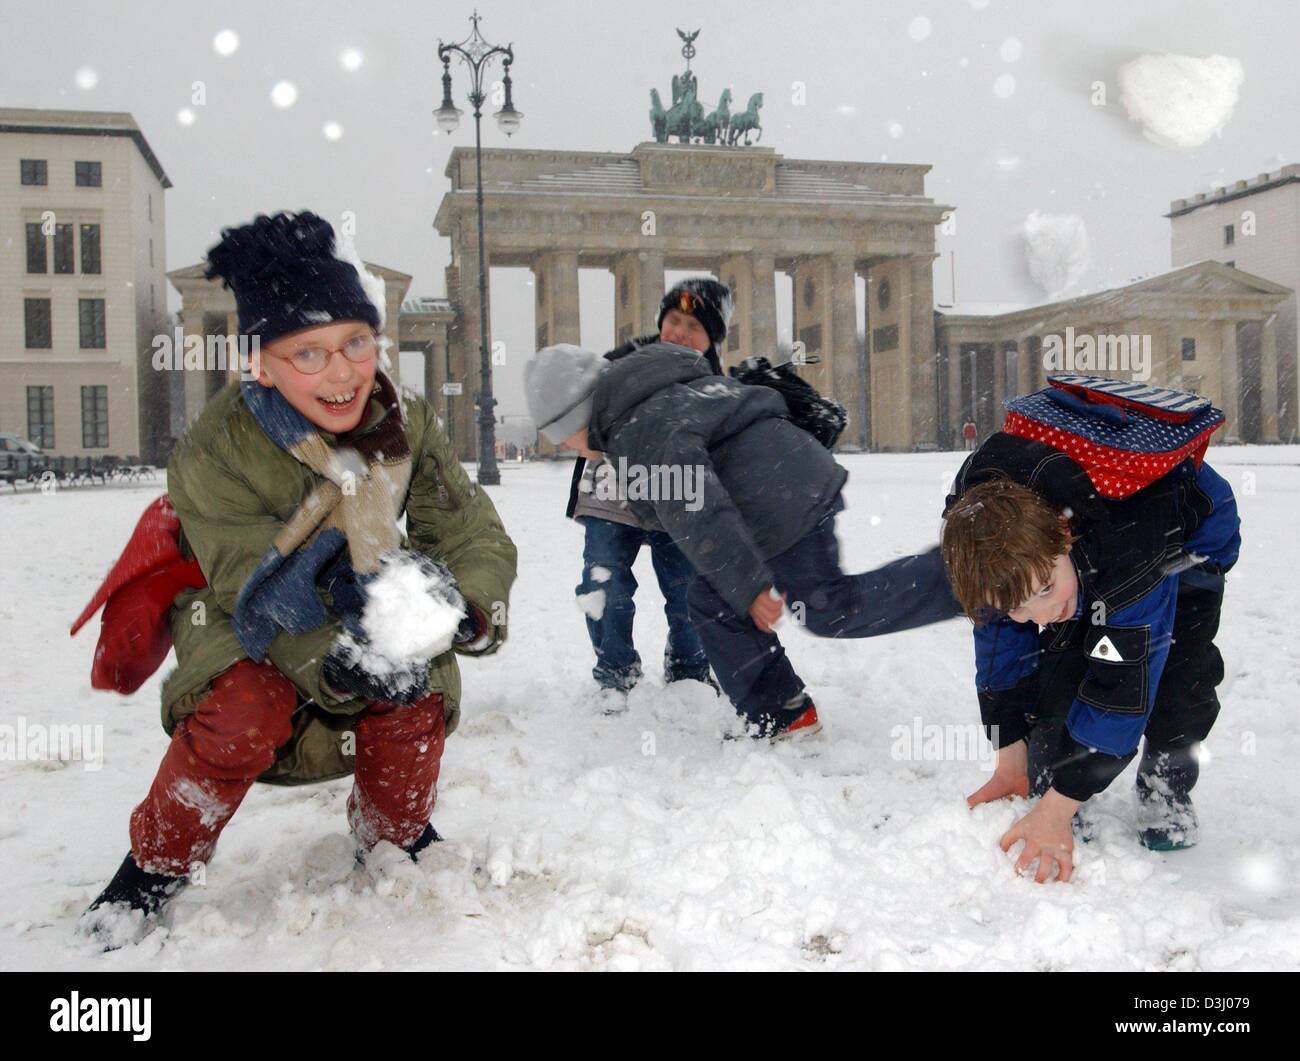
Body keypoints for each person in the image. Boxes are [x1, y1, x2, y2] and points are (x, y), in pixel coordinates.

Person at [77, 212, 517, 946]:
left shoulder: (404, 417)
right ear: (262, 364)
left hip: (366, 590)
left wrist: (463, 609)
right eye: (306, 353)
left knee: (413, 673)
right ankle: (156, 861)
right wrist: (337, 662)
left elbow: (468, 528)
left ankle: (392, 833)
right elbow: (247, 578)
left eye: (355, 341)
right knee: (245, 706)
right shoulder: (214, 446)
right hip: (240, 609)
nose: (343, 370)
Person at [526, 342, 960, 739]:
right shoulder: (642, 398)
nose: (568, 446)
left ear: (577, 411)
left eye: (562, 434)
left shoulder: (637, 426)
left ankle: (964, 577)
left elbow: (697, 509)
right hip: (782, 480)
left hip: (781, 497)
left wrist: (749, 585)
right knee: (714, 601)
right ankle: (784, 713)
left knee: (829, 608)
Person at [941, 376, 1240, 882]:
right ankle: (1057, 787)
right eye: (1014, 607)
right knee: (1061, 675)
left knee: (1177, 686)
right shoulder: (985, 540)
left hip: (1185, 556)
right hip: (1081, 562)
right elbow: (999, 650)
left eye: (1039, 594)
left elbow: (1120, 690)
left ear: (1064, 535)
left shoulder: (1130, 548)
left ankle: (1165, 788)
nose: (1034, 617)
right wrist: (1010, 757)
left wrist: (1056, 812)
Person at [565, 278, 731, 708]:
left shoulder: (717, 385)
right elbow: (578, 413)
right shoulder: (618, 364)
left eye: (693, 327)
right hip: (612, 496)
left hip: (678, 499)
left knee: (689, 587)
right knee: (604, 582)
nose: (679, 332)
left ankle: (689, 670)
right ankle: (616, 672)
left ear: (711, 339)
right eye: (673, 321)